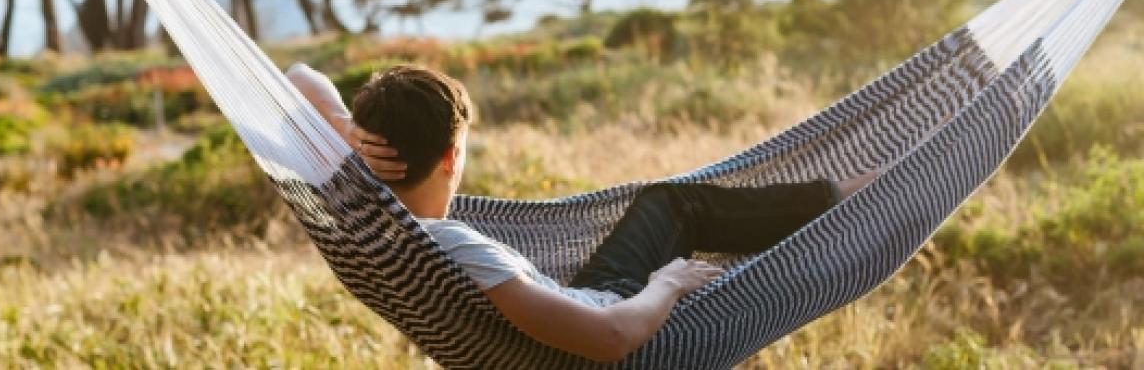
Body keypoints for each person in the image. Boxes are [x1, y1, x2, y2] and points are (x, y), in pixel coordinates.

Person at [287, 62, 878, 363]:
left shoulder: (356, 207)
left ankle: (833, 197)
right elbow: (611, 338)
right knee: (677, 203)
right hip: (621, 317)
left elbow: (296, 78)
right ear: (450, 156)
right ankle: (844, 197)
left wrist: (344, 130)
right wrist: (667, 283)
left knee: (664, 202)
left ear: (368, 144)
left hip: (579, 308)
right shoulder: (454, 248)